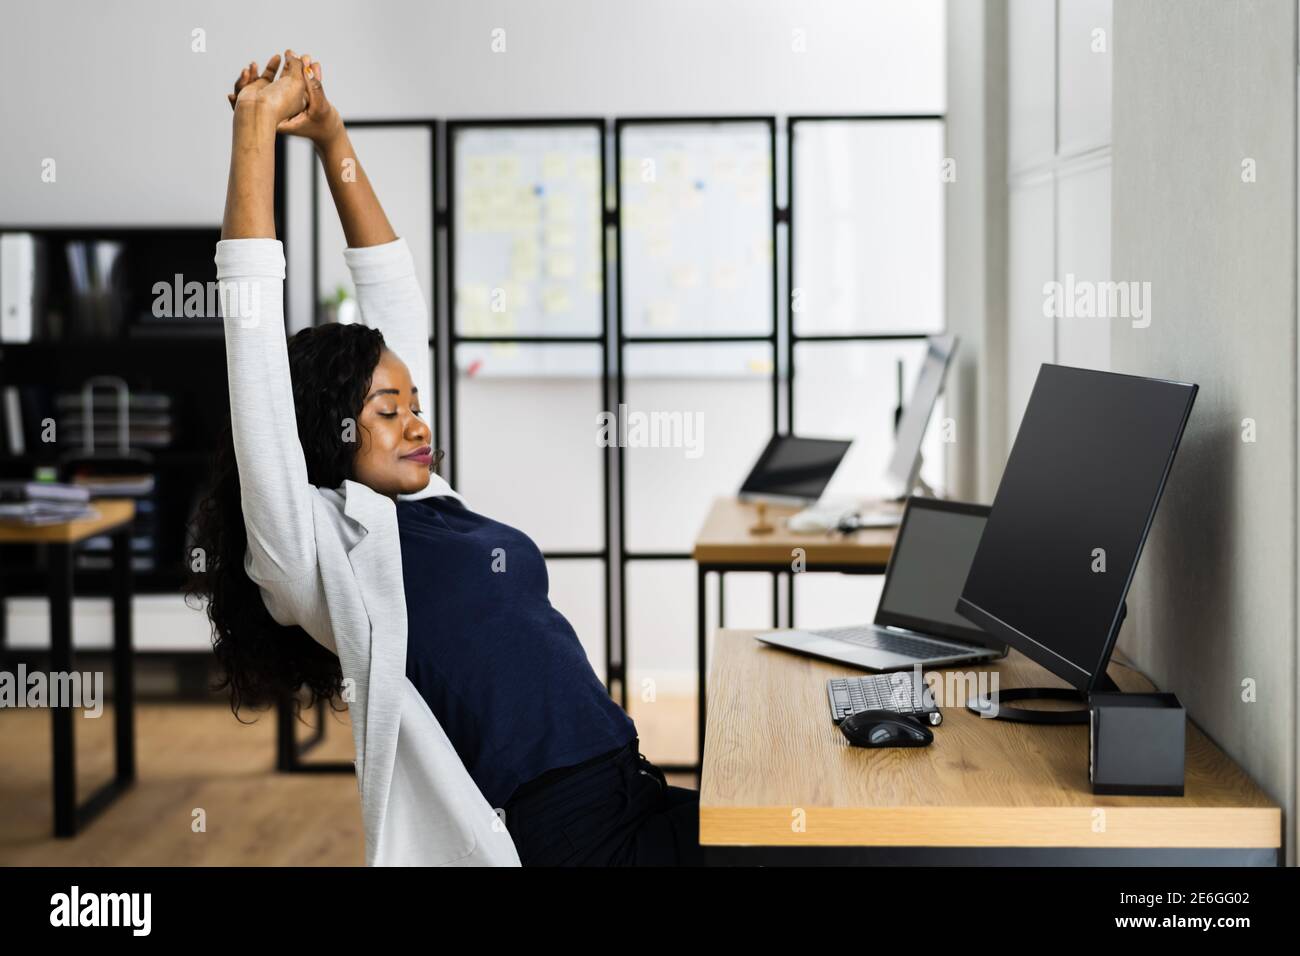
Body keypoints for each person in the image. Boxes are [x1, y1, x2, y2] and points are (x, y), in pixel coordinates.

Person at [189, 48, 702, 866]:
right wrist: (254, 123)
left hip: (632, 782)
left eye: (417, 404)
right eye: (388, 410)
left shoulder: (429, 502)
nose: (416, 422)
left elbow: (394, 294)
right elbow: (251, 335)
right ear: (325, 431)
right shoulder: (314, 552)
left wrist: (332, 138)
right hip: (572, 836)